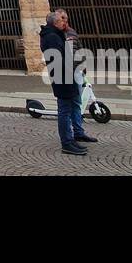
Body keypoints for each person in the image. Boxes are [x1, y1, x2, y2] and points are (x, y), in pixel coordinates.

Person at [39, 9, 95, 155]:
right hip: (62, 78)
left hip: (67, 76)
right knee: (64, 111)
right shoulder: (51, 37)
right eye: (62, 19)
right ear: (55, 22)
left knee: (71, 106)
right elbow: (58, 60)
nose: (65, 22)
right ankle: (67, 143)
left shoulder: (56, 35)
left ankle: (75, 136)